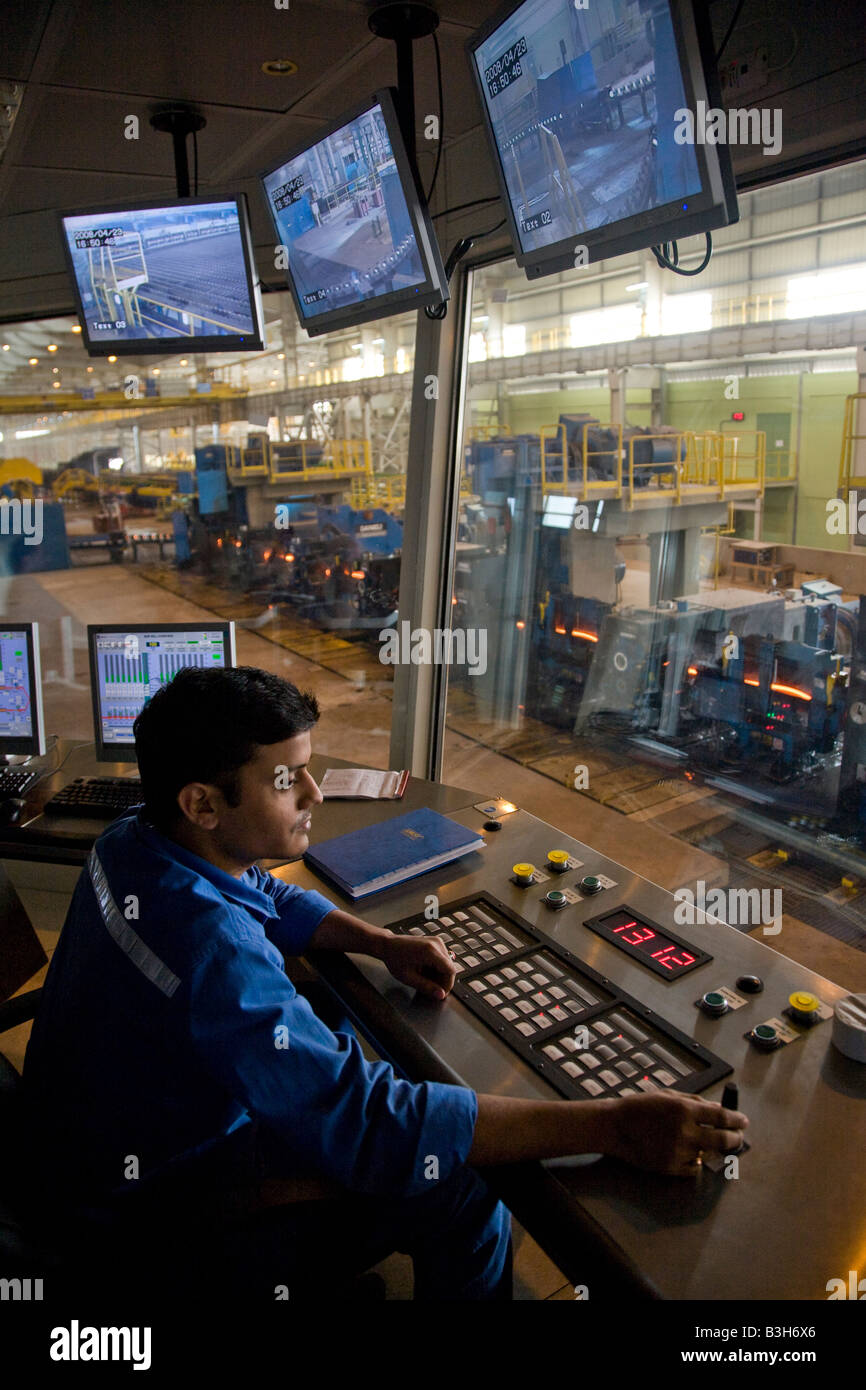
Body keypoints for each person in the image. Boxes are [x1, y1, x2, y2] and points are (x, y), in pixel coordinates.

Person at [22, 666, 748, 1305]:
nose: (314, 793)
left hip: (82, 1138)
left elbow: (258, 892)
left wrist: (377, 940)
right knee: (462, 1185)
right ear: (203, 804)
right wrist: (611, 1123)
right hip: (152, 1211)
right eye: (286, 779)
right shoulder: (214, 953)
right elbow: (366, 1122)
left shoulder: (136, 837)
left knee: (359, 1045)